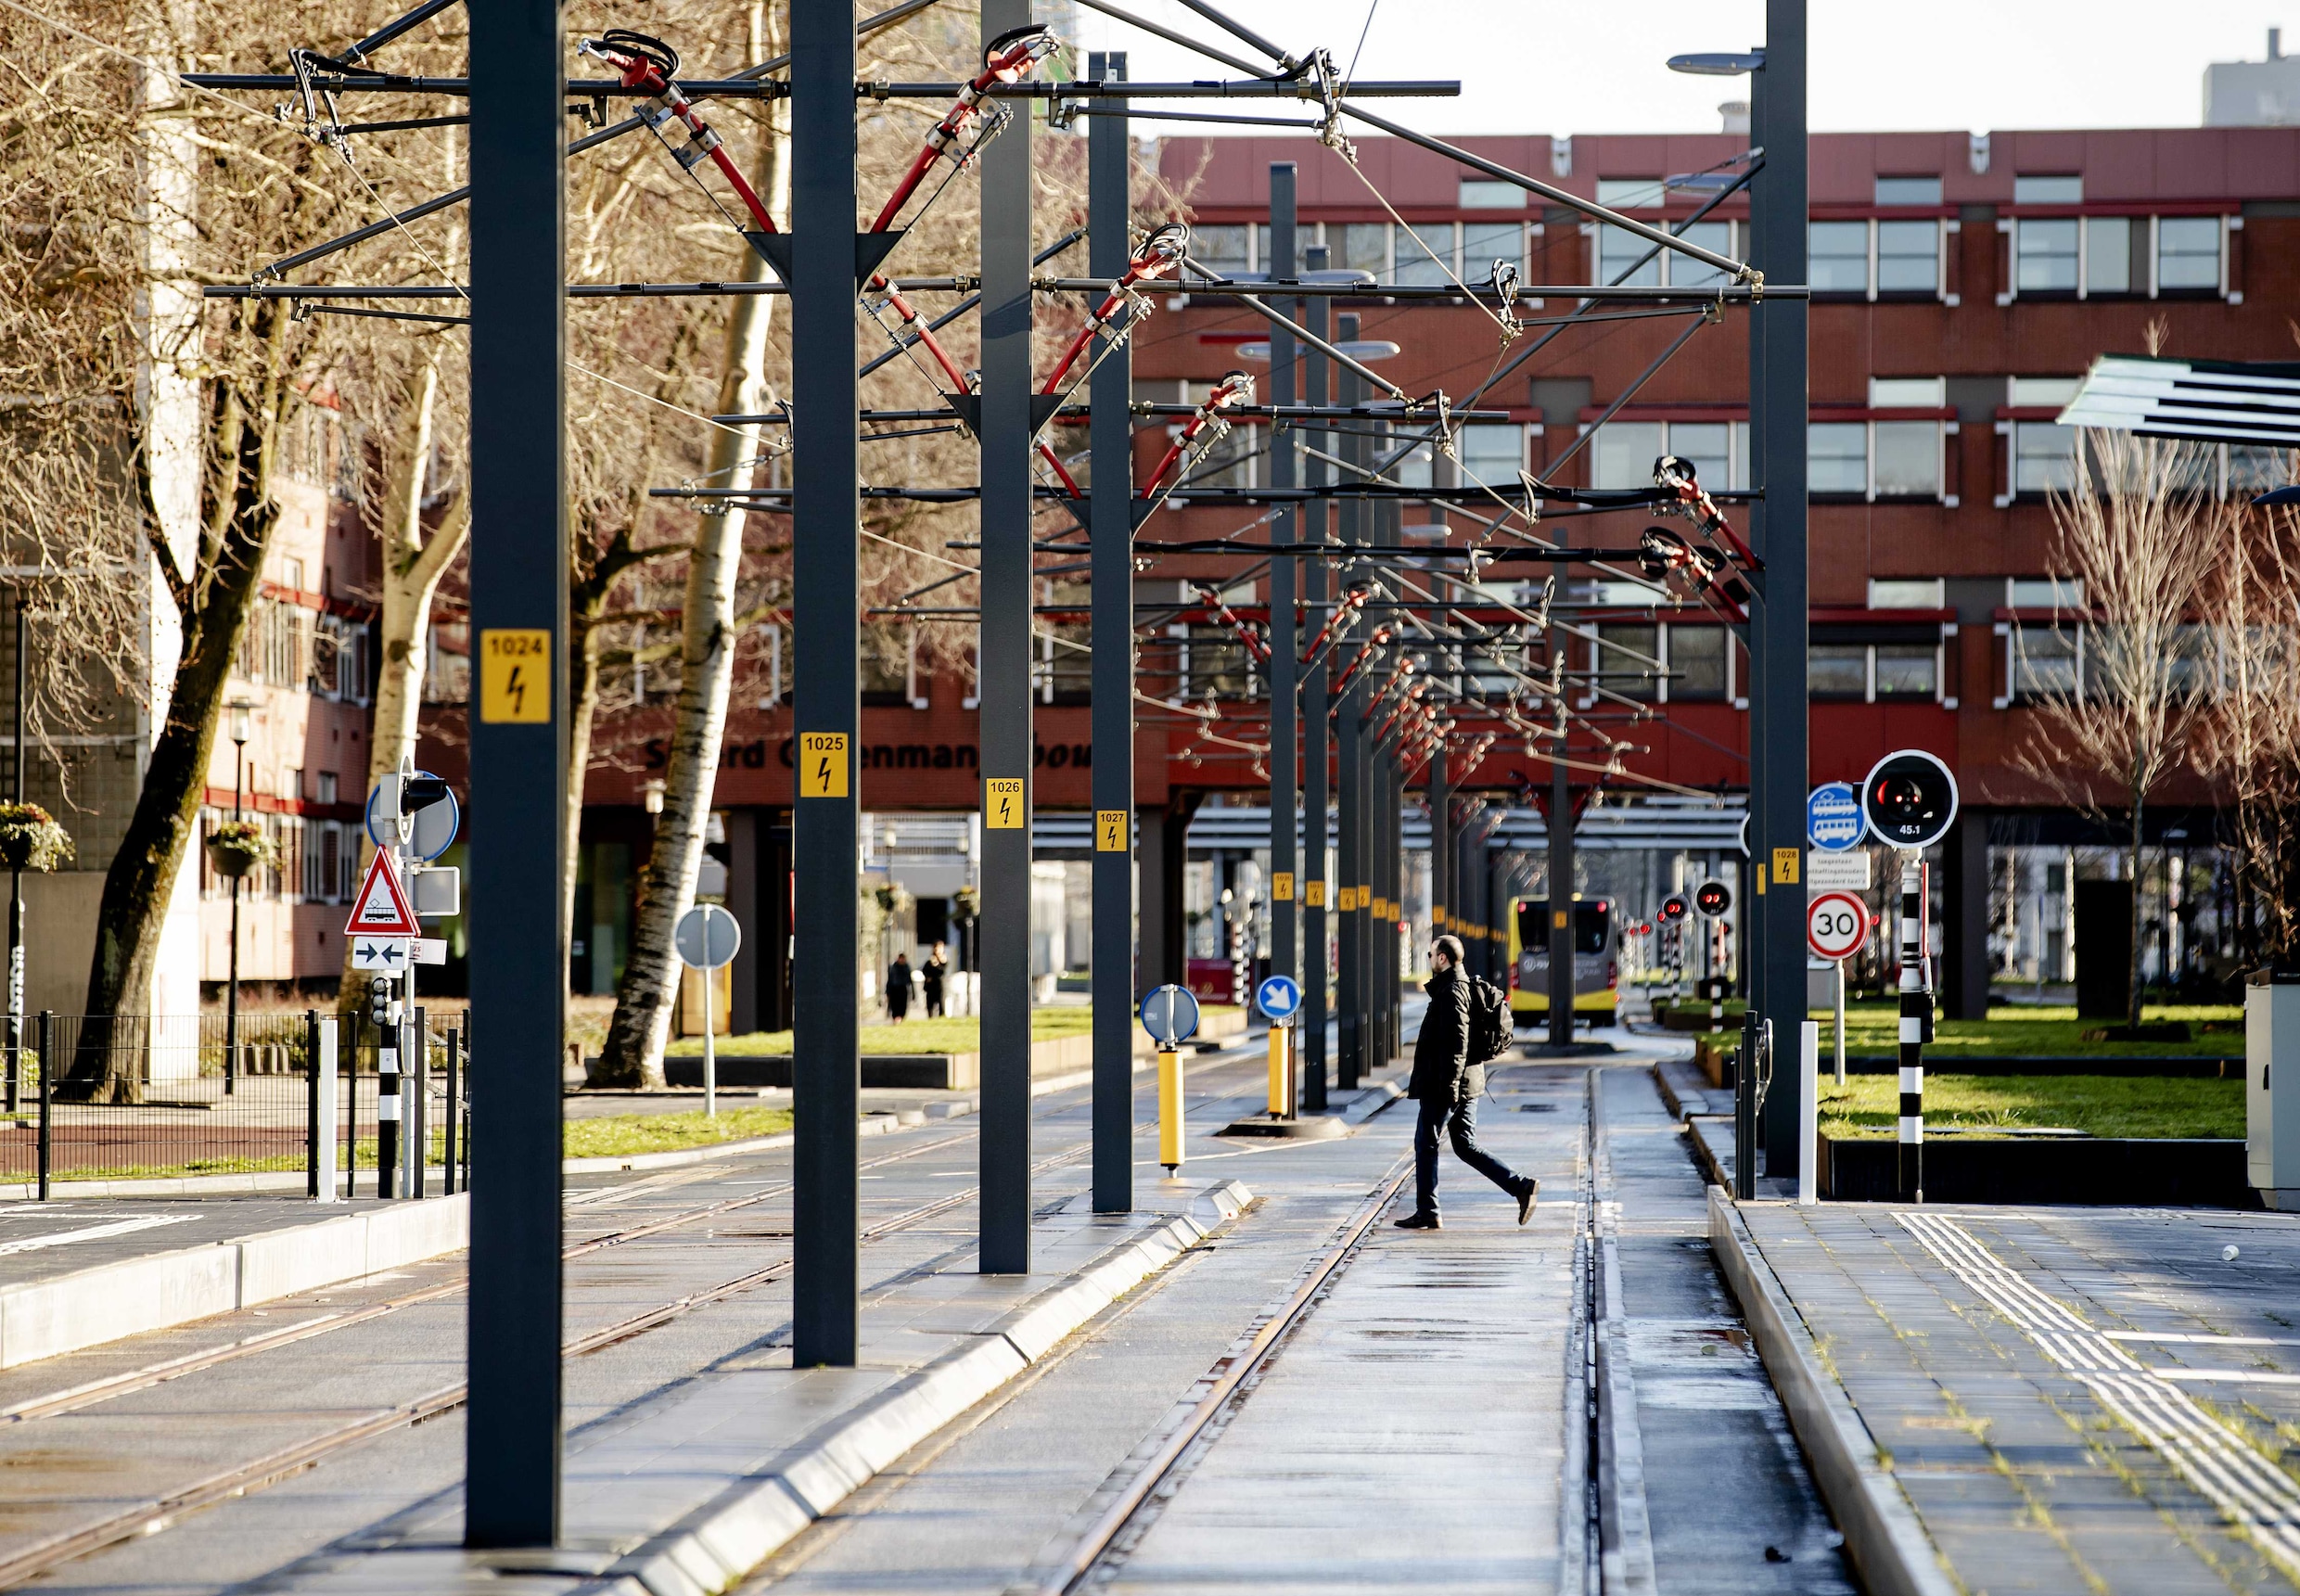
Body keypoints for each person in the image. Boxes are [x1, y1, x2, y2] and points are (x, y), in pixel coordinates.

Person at [1395, 934, 1538, 1231]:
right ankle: (1521, 1187)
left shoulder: (1452, 992)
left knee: (1426, 1143)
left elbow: (1456, 1044)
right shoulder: (1456, 987)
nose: (1430, 959)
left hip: (1448, 1084)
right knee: (1465, 1145)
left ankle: (1428, 1211)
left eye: (1431, 954)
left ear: (1443, 958)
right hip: (1465, 1081)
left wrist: (1449, 1089)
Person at [922, 940, 949, 1018]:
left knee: (940, 1001)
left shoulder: (943, 960)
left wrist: (936, 964)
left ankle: (941, 1015)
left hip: (939, 984)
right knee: (930, 1002)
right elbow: (925, 970)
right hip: (930, 985)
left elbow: (941, 971)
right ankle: (930, 1016)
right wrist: (928, 977)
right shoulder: (930, 961)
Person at [887, 951, 913, 1021]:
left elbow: (910, 980)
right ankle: (896, 1018)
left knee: (903, 1005)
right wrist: (888, 991)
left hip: (903, 988)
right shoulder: (894, 967)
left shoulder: (906, 967)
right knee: (895, 1005)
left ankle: (901, 1018)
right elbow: (890, 980)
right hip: (895, 989)